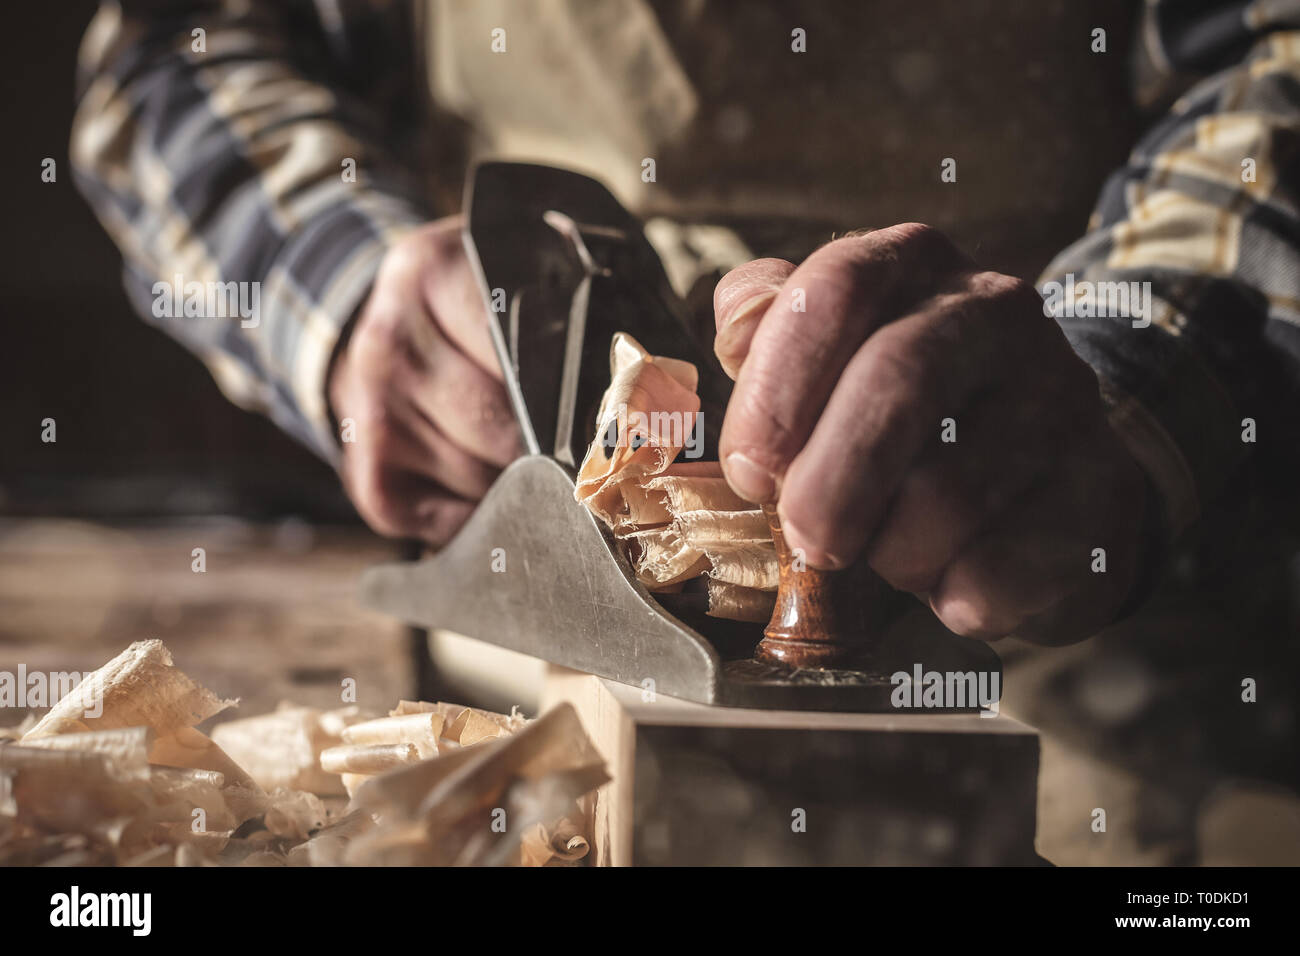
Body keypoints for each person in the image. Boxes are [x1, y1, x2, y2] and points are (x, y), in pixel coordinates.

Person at [71, 1, 1299, 864]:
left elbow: (1270, 56)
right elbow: (181, 43)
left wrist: (1121, 383)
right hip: (531, 729)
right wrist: (339, 295)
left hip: (1082, 653)